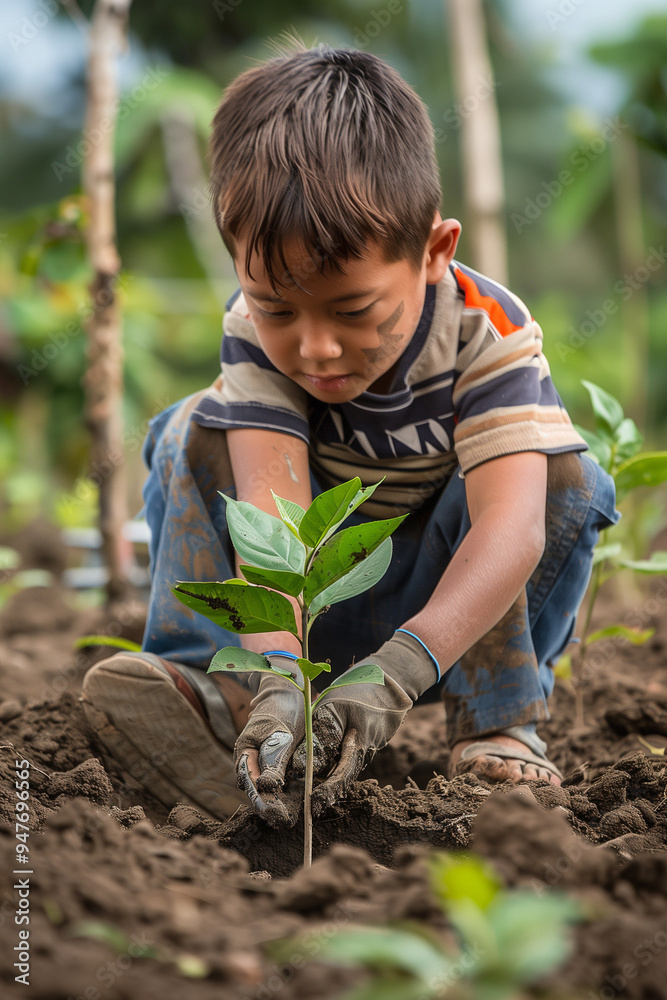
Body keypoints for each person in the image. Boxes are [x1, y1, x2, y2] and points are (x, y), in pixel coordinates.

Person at [81, 43, 618, 826]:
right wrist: (281, 675)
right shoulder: (252, 337)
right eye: (276, 309)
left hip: (446, 618)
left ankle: (497, 725)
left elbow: (510, 532)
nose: (314, 348)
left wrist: (397, 673)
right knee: (193, 430)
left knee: (561, 475)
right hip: (303, 617)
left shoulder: (484, 332)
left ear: (434, 253)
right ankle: (228, 699)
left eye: (353, 310)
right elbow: (274, 531)